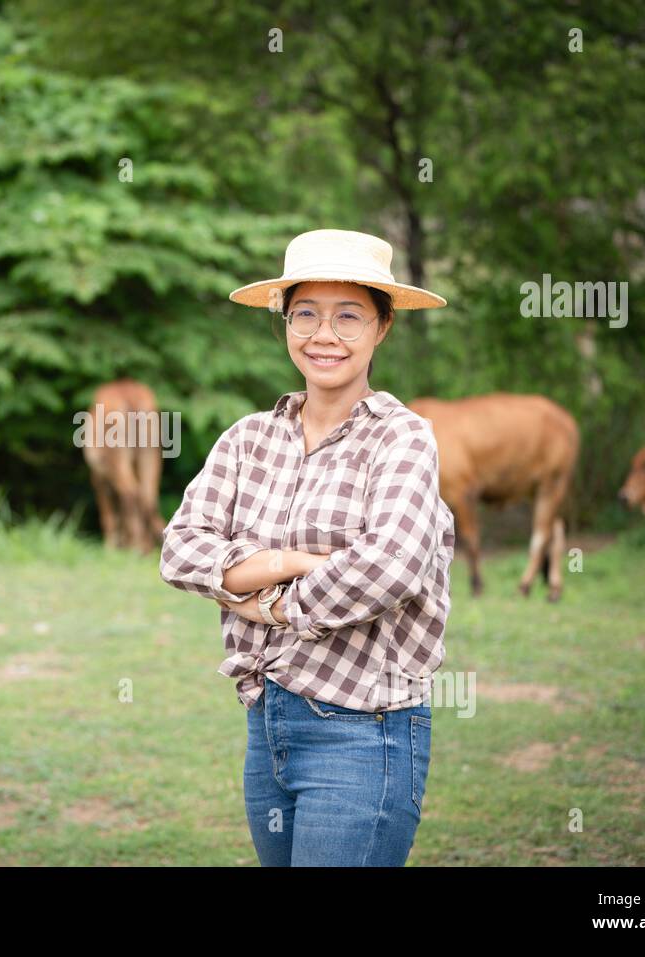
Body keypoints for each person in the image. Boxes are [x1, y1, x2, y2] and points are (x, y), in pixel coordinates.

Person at [159, 229, 455, 866]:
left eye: (349, 316)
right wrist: (289, 564)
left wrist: (263, 602)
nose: (326, 335)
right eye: (306, 315)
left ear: (383, 328)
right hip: (268, 723)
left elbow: (390, 567)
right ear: (285, 324)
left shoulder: (403, 440)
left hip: (364, 729)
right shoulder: (247, 439)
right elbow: (180, 549)